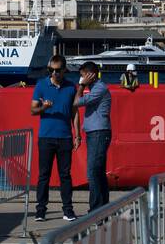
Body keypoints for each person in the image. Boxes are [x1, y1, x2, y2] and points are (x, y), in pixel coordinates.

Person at [30, 54, 77, 222]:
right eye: (51, 70)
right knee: (44, 175)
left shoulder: (71, 87)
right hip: (46, 137)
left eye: (57, 70)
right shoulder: (41, 85)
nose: (54, 73)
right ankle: (41, 210)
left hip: (65, 137)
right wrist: (44, 107)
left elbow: (74, 113)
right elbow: (32, 110)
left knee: (65, 175)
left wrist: (76, 134)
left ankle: (68, 210)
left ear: (64, 70)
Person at [73, 61, 112, 214]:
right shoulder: (96, 88)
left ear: (91, 75)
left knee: (93, 172)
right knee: (99, 171)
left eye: (83, 76)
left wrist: (82, 86)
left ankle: (96, 208)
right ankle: (103, 207)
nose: (81, 80)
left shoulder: (99, 89)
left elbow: (76, 102)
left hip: (98, 133)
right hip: (96, 132)